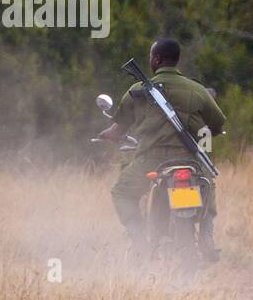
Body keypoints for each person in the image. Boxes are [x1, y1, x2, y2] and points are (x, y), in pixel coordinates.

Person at [97, 38, 226, 250]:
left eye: (151, 56)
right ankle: (206, 237)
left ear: (157, 58)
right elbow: (218, 123)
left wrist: (107, 135)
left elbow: (118, 129)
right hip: (190, 158)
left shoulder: (137, 90)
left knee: (122, 192)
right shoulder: (197, 90)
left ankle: (140, 243)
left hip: (151, 159)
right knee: (208, 183)